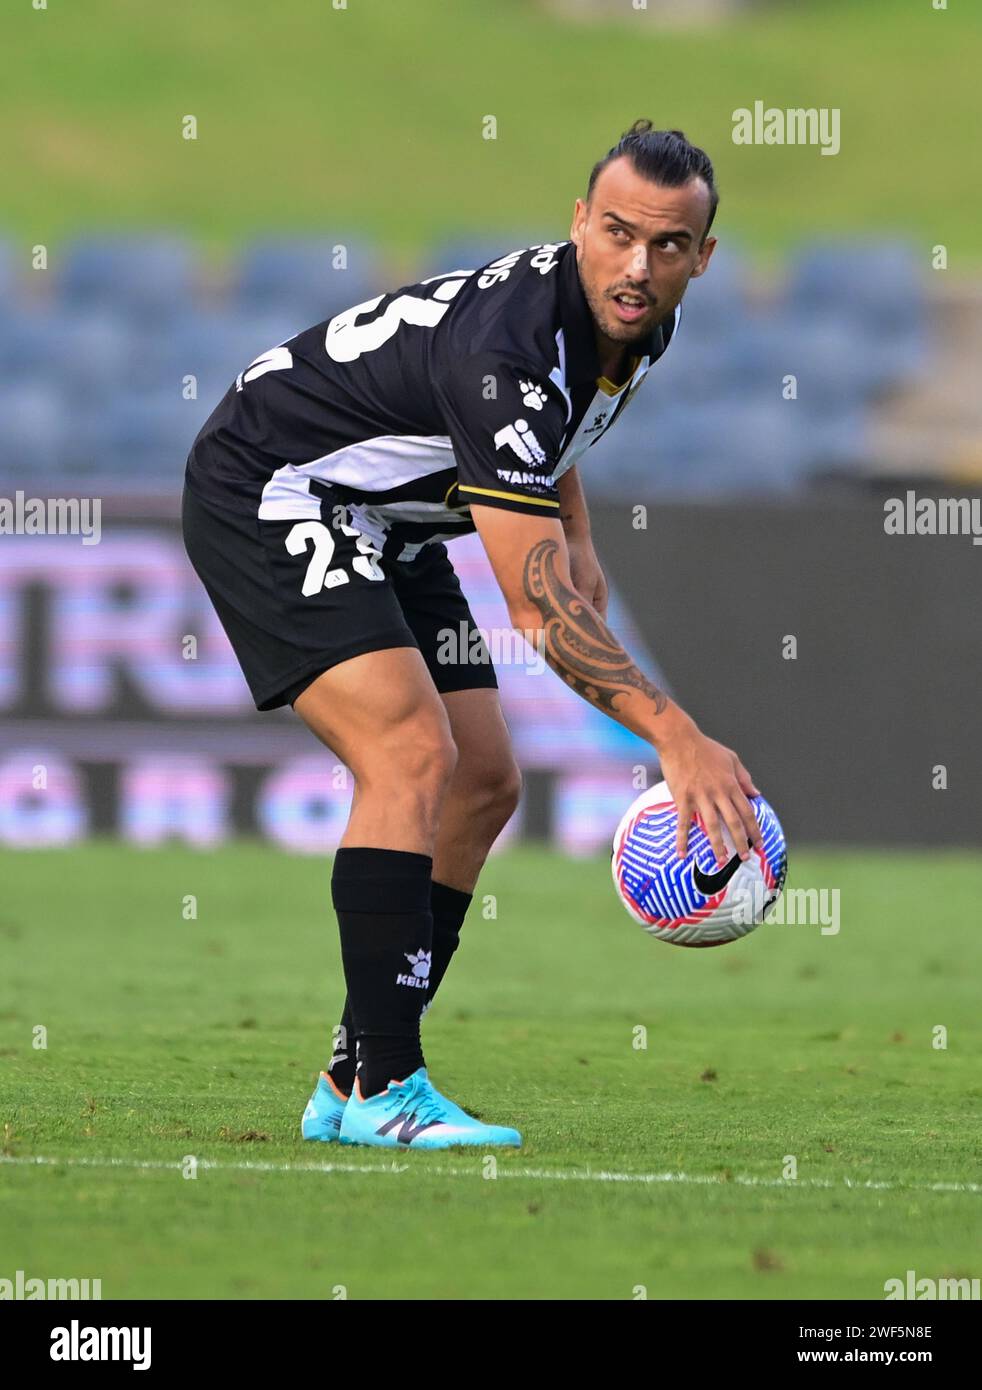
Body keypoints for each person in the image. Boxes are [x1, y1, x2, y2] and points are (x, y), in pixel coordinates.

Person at [182, 120, 762, 1151]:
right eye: (617, 232)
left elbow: (559, 425)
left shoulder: (631, 318)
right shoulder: (506, 347)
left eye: (668, 245)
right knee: (408, 754)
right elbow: (537, 611)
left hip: (393, 519)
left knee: (486, 782)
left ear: (701, 256)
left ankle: (352, 1066)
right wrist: (673, 735)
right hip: (275, 487)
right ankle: (383, 1090)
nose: (638, 265)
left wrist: (574, 523)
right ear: (578, 220)